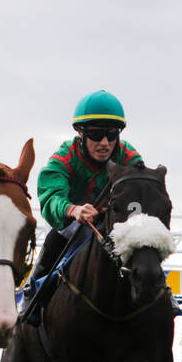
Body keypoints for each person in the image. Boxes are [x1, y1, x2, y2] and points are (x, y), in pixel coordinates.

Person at [20, 90, 144, 322]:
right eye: (96, 135)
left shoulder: (130, 158)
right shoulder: (63, 157)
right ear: (81, 133)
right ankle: (32, 296)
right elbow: (51, 195)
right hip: (74, 226)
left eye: (111, 134)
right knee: (55, 238)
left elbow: (141, 193)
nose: (105, 143)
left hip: (116, 227)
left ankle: (162, 292)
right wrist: (72, 209)